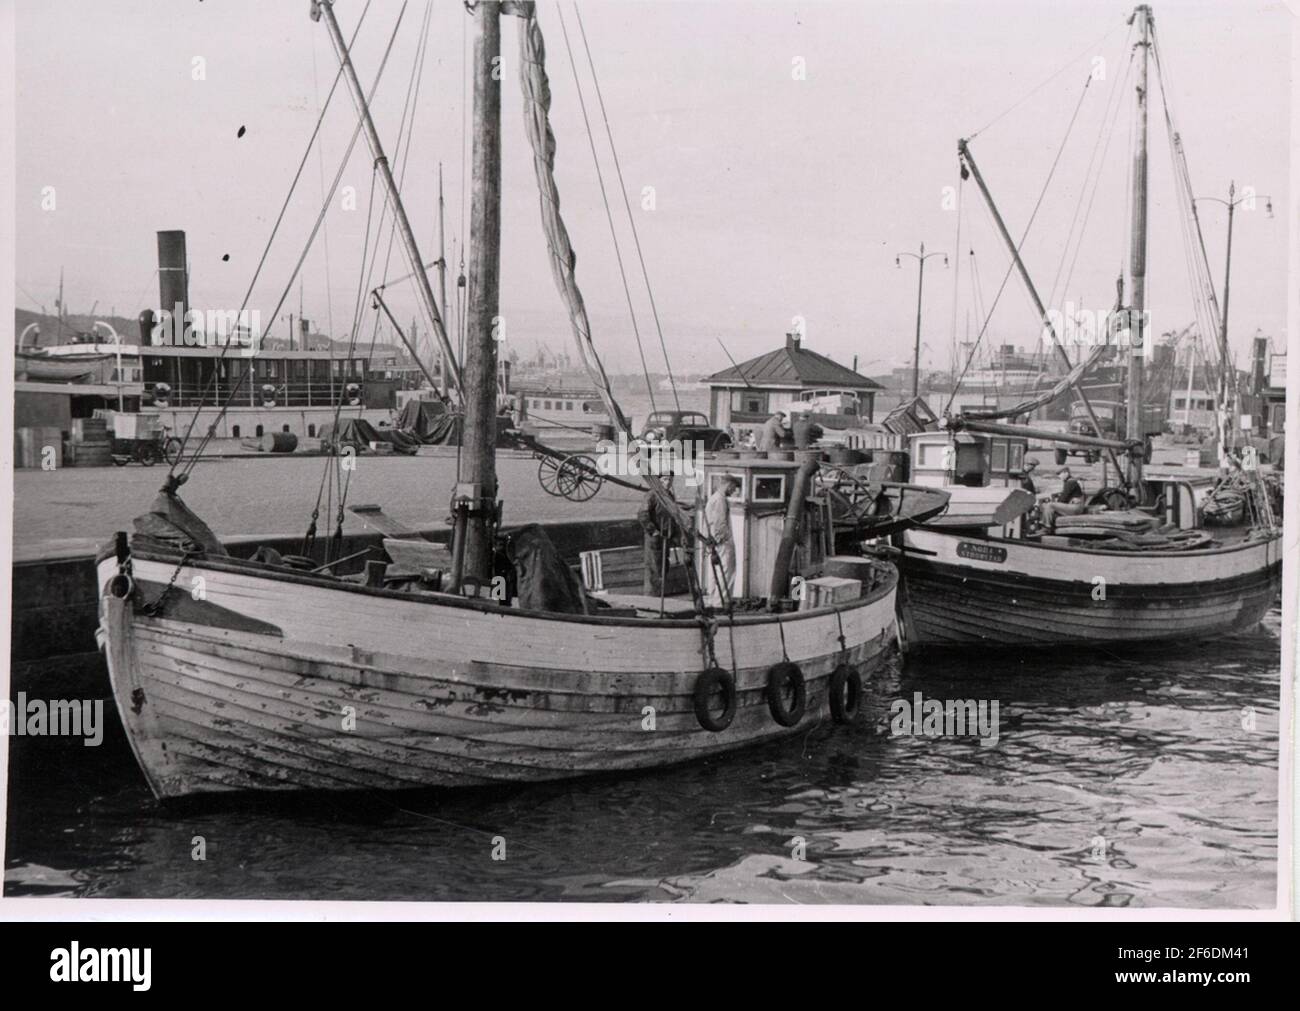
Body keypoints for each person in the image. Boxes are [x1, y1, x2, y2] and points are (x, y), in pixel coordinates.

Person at [637, 474, 678, 594]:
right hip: (654, 537)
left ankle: (661, 594)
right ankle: (652, 597)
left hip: (666, 536)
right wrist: (653, 531)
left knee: (663, 567)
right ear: (659, 481)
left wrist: (674, 533)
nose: (668, 482)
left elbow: (673, 514)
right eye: (665, 479)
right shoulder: (652, 495)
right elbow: (642, 514)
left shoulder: (669, 496)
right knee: (654, 566)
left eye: (670, 479)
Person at [704, 475, 740, 602]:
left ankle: (713, 600)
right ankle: (721, 602)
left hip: (713, 541)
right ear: (728, 485)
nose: (734, 490)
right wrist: (723, 540)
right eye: (734, 487)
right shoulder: (720, 500)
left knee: (715, 572)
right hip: (722, 542)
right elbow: (720, 523)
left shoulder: (714, 498)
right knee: (726, 571)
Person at [1039, 466, 1086, 531]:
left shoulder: (1070, 482)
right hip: (1076, 506)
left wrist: (1054, 503)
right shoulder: (1072, 481)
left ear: (1066, 473)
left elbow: (1063, 499)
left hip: (1075, 508)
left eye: (1060, 474)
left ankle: (1046, 527)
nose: (1059, 476)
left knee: (1050, 505)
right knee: (1052, 506)